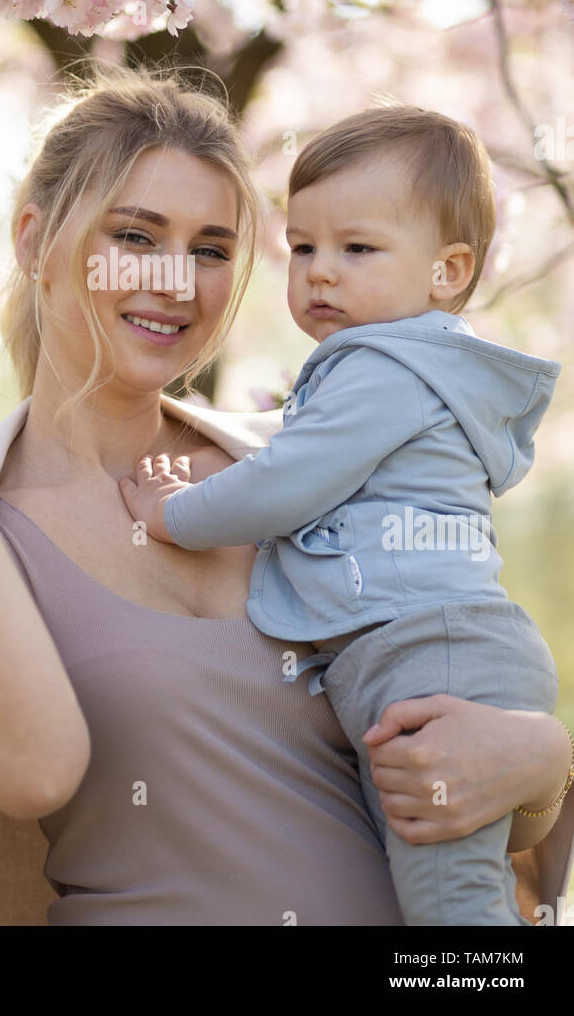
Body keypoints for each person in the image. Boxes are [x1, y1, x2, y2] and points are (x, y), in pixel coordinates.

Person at [0, 65, 574, 926]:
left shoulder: (320, 467)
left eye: (211, 250)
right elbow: (28, 773)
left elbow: (479, 768)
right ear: (35, 239)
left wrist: (543, 759)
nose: (176, 282)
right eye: (136, 236)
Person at [119, 105, 574, 926]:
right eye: (302, 248)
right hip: (430, 654)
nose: (319, 271)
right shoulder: (392, 369)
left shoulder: (384, 368)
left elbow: (287, 483)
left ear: (447, 271)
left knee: (452, 903)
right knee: (433, 888)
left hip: (430, 658)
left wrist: (176, 512)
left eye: (356, 248)